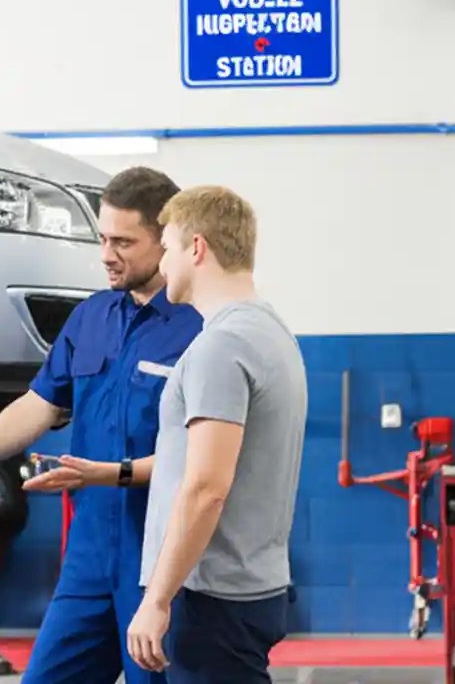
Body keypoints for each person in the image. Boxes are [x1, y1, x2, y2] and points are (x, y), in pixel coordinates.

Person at [0, 166, 203, 684]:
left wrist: (116, 474)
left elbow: (202, 460)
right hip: (88, 558)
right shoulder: (91, 317)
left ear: (166, 241)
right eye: (102, 238)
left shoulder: (200, 327)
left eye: (123, 241)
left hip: (164, 563)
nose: (106, 254)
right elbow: (40, 404)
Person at [123, 185, 307, 682]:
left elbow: (206, 487)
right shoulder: (271, 333)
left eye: (168, 249)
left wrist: (157, 600)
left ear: (197, 248)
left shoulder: (220, 347)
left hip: (211, 597)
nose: (162, 266)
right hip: (247, 588)